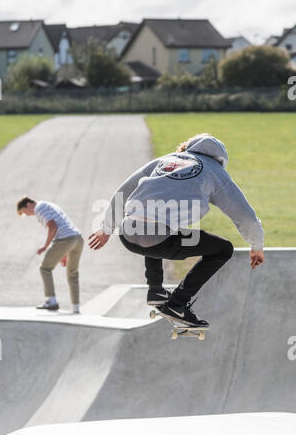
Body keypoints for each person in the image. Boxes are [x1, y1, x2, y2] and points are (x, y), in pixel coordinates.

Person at [89, 134, 264, 327]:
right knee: (223, 249)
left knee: (155, 216)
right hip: (158, 239)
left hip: (126, 233)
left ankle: (155, 289)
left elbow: (125, 188)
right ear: (221, 160)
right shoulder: (215, 171)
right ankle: (177, 304)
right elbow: (243, 213)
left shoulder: (165, 160)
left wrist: (106, 228)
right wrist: (256, 244)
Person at [17, 197, 84, 313]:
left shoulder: (39, 208)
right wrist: (63, 254)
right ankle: (76, 309)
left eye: (25, 212)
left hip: (65, 239)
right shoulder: (50, 205)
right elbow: (63, 226)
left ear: (28, 204)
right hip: (77, 239)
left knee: (45, 268)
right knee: (73, 274)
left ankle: (51, 301)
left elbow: (53, 226)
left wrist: (45, 246)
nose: (28, 215)